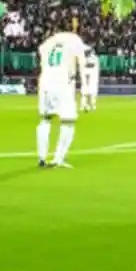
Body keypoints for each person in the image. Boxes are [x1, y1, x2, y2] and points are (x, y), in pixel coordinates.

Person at [36, 28, 88, 168]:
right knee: (68, 122)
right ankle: (58, 158)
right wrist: (85, 90)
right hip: (62, 80)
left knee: (45, 119)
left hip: (45, 79)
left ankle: (41, 156)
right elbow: (82, 64)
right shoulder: (75, 40)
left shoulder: (50, 41)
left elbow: (41, 52)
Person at [80, 46, 100, 112]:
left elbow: (91, 66)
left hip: (92, 77)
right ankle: (84, 105)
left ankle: (92, 105)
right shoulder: (83, 58)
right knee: (84, 93)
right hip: (85, 77)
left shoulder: (94, 58)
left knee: (92, 92)